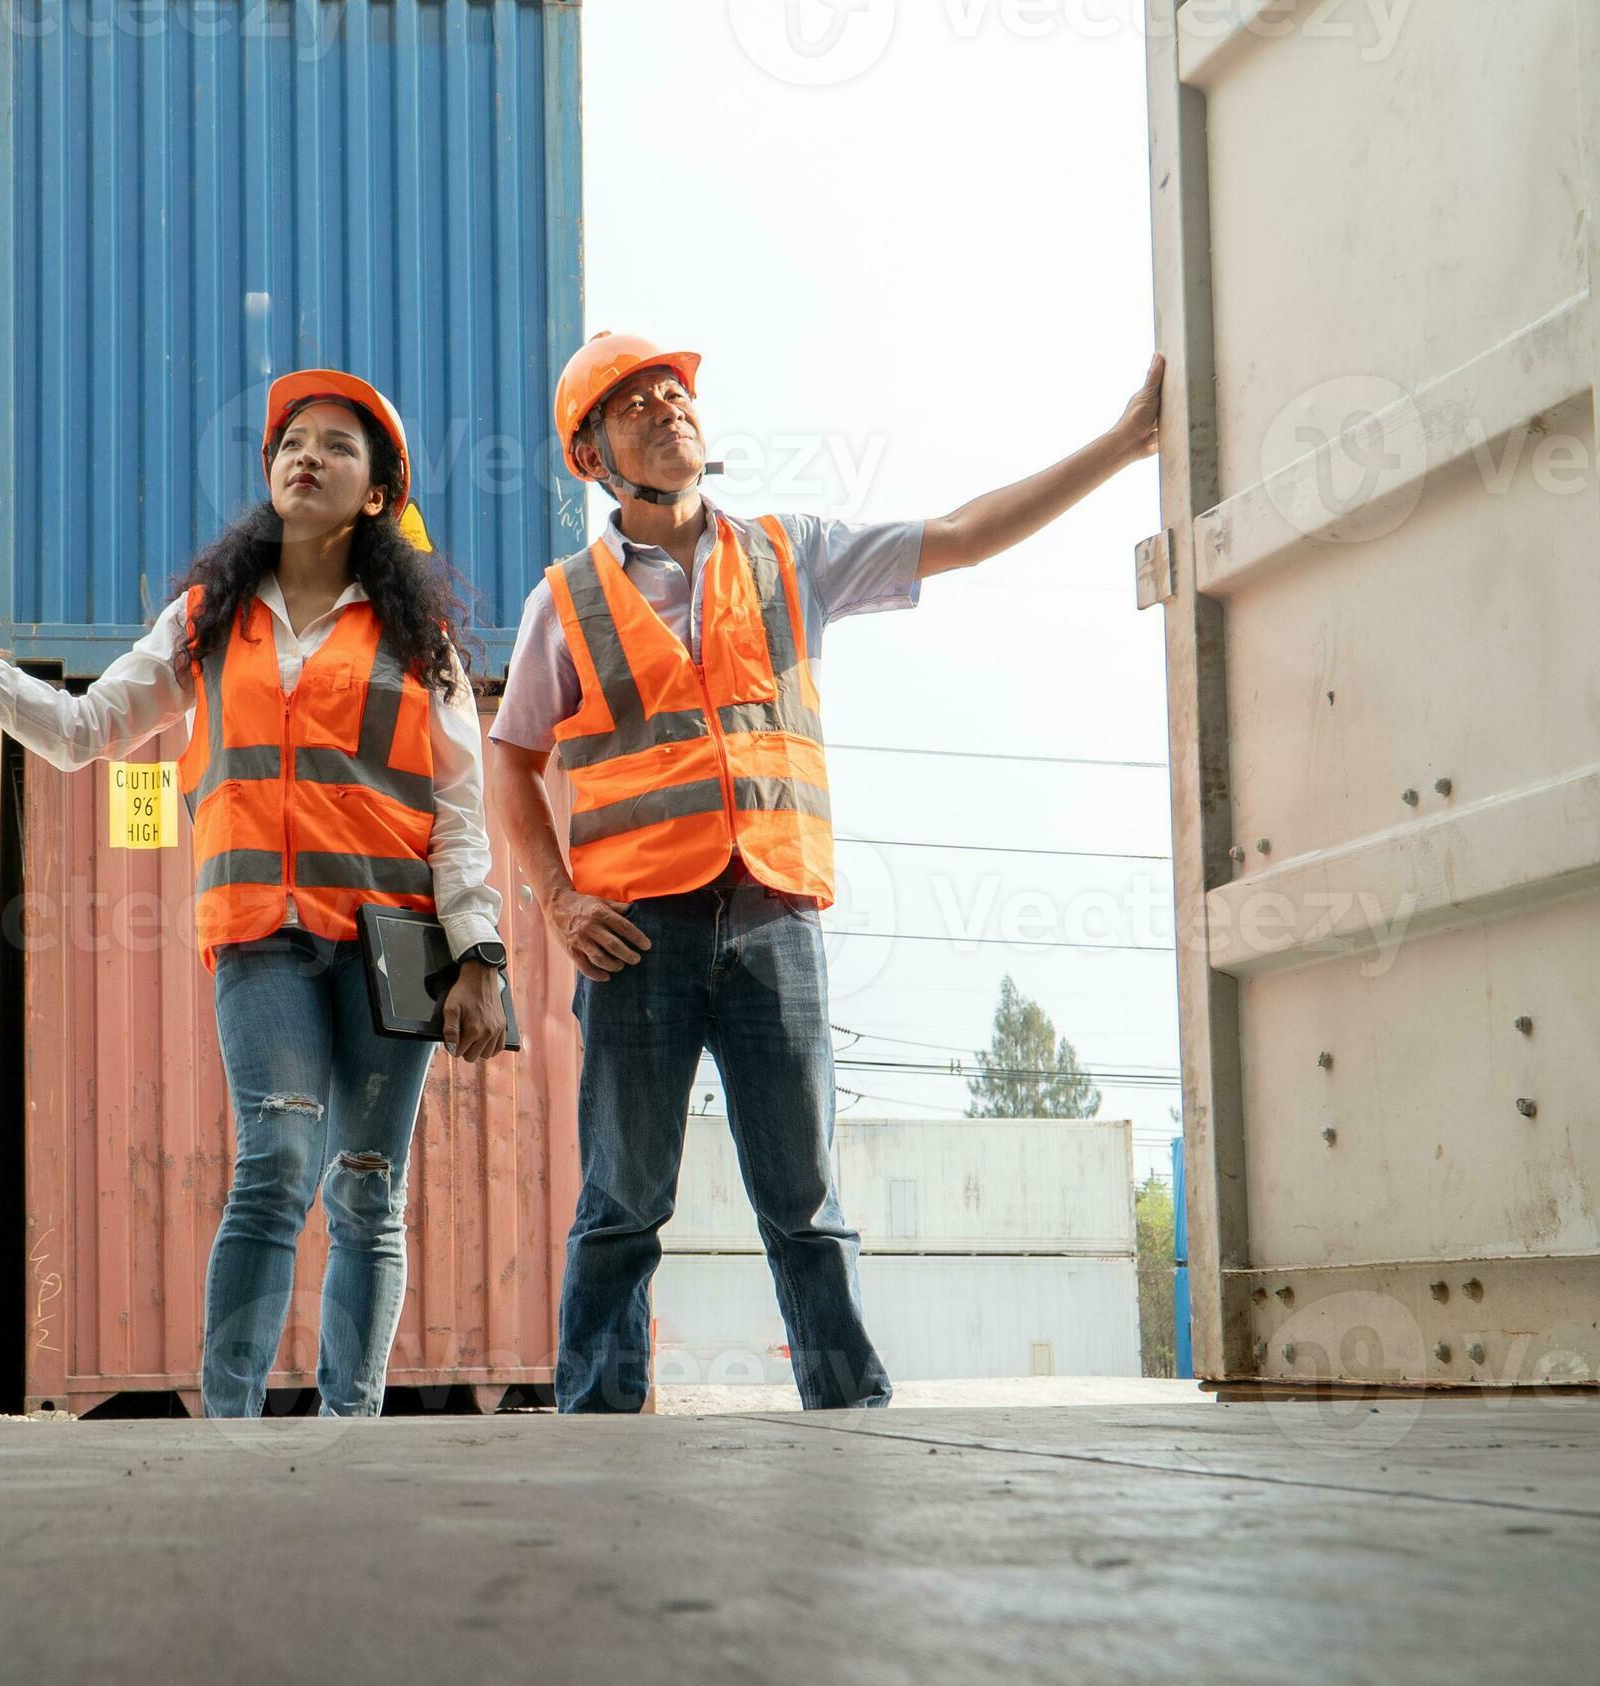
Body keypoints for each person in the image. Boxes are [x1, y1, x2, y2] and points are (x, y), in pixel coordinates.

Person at [486, 332, 1163, 1414]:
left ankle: (849, 1413)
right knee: (622, 1202)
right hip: (635, 942)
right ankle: (597, 1430)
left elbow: (965, 537)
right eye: (635, 404)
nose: (668, 409)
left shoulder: (787, 552)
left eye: (677, 394)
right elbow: (511, 758)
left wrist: (1123, 444)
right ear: (591, 455)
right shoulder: (561, 601)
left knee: (805, 1203)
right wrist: (558, 899)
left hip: (772, 923)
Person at [0, 370, 513, 1419]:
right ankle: (228, 1432)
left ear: (377, 494)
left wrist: (480, 958)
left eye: (336, 446)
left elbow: (459, 812)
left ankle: (349, 1431)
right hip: (261, 938)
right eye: (291, 442)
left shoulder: (423, 644)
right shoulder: (206, 621)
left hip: (392, 947)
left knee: (368, 1188)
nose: (304, 456)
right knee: (276, 1161)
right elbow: (79, 732)